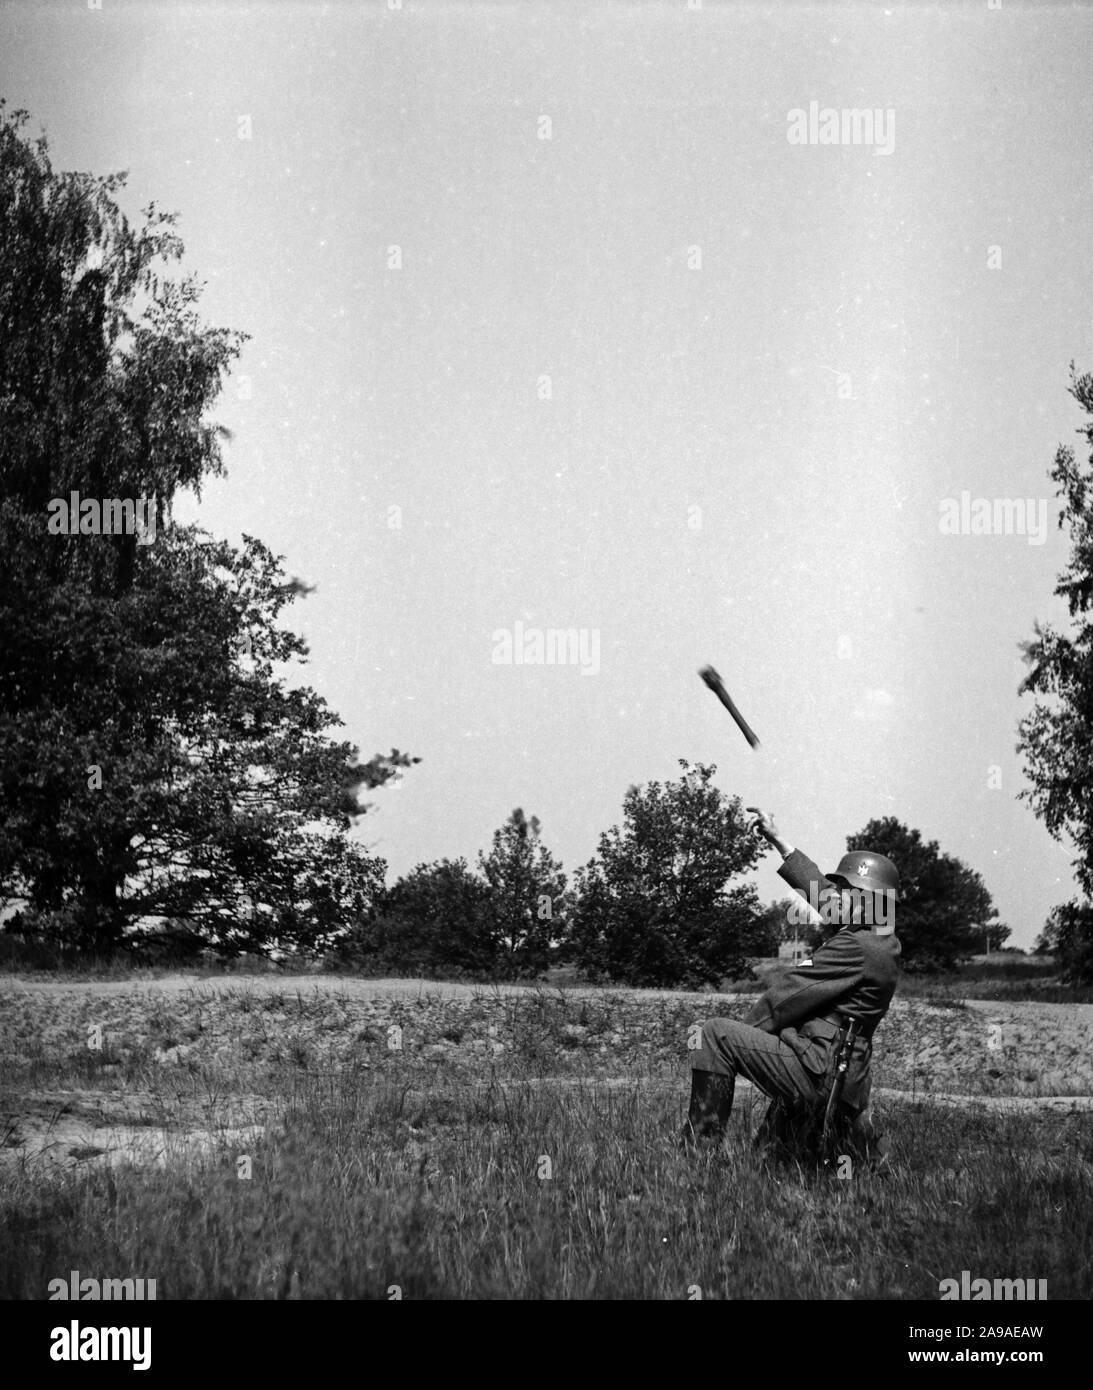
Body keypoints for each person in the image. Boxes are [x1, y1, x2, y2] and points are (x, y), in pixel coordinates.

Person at [682, 808, 901, 1160]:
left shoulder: (856, 946)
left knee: (715, 1034)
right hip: (839, 1078)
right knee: (767, 1164)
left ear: (868, 899)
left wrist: (739, 1040)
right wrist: (778, 840)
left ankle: (697, 1158)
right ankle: (867, 1159)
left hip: (818, 1074)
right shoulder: (878, 937)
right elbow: (823, 892)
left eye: (845, 891)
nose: (836, 896)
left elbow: (785, 998)